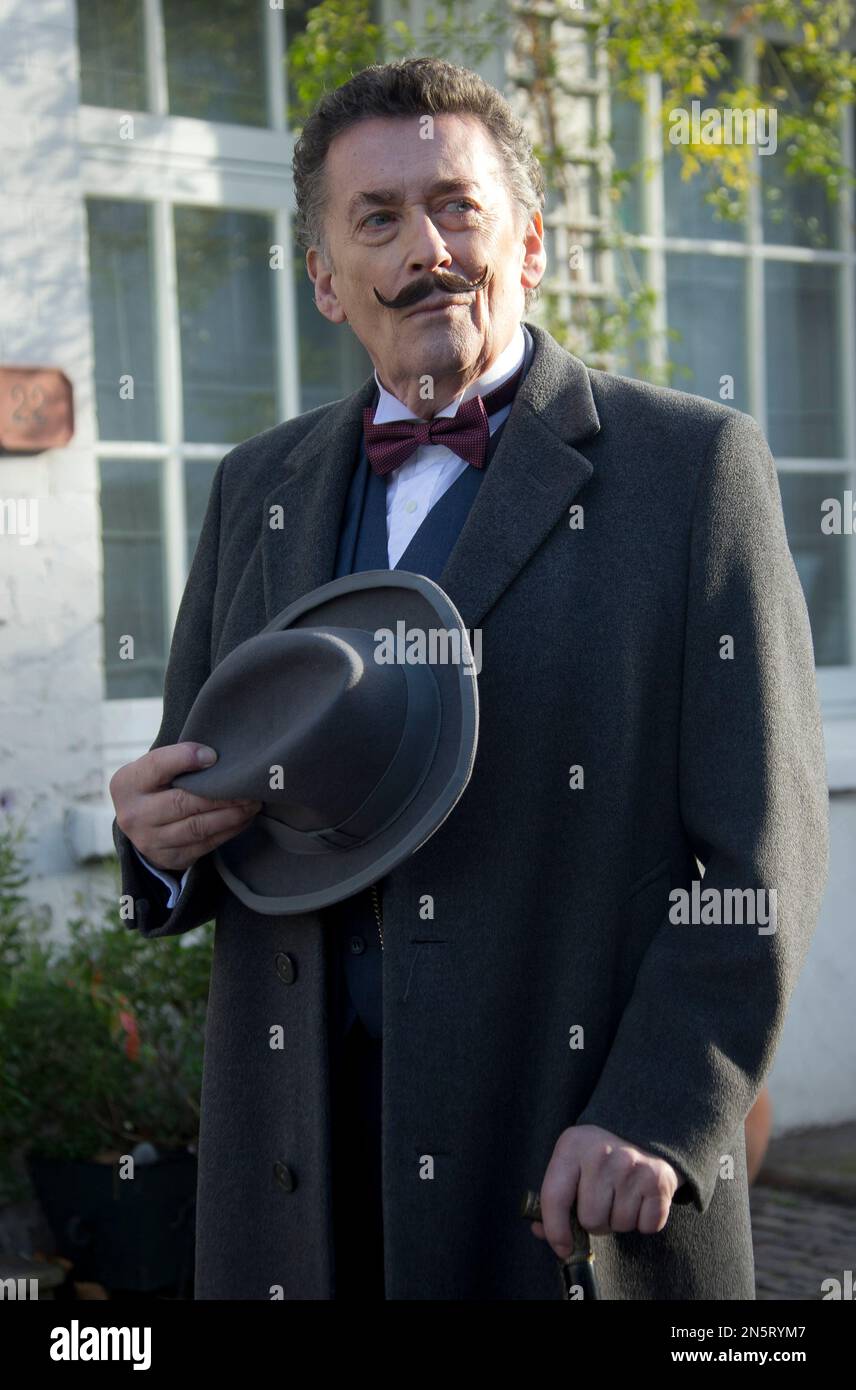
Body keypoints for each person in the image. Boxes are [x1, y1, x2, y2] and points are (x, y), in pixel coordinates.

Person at [109, 56, 829, 1300]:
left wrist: (658, 1112)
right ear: (327, 281)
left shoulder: (692, 470)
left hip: (563, 1164)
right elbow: (204, 779)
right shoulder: (254, 489)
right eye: (376, 220)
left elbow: (765, 850)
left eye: (456, 205)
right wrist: (158, 838)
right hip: (299, 1182)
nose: (423, 250)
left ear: (530, 243)